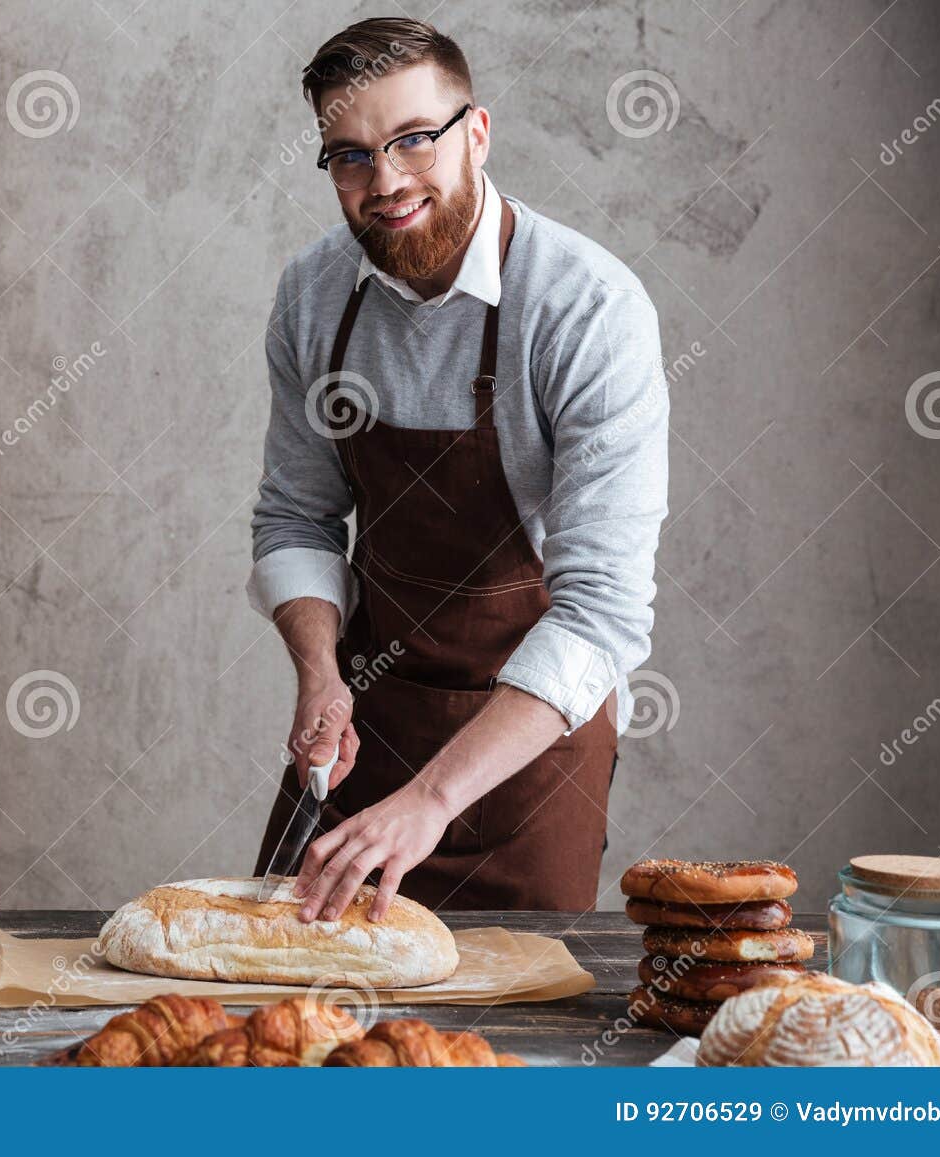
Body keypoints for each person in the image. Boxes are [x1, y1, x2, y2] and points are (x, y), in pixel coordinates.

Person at [250, 18, 668, 921]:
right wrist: (320, 672)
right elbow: (297, 518)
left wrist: (435, 800)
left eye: (413, 140)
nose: (387, 181)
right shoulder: (314, 297)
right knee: (289, 1022)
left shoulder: (585, 311)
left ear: (476, 133)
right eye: (351, 156)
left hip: (529, 747)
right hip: (371, 724)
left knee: (505, 1043)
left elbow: (600, 615)